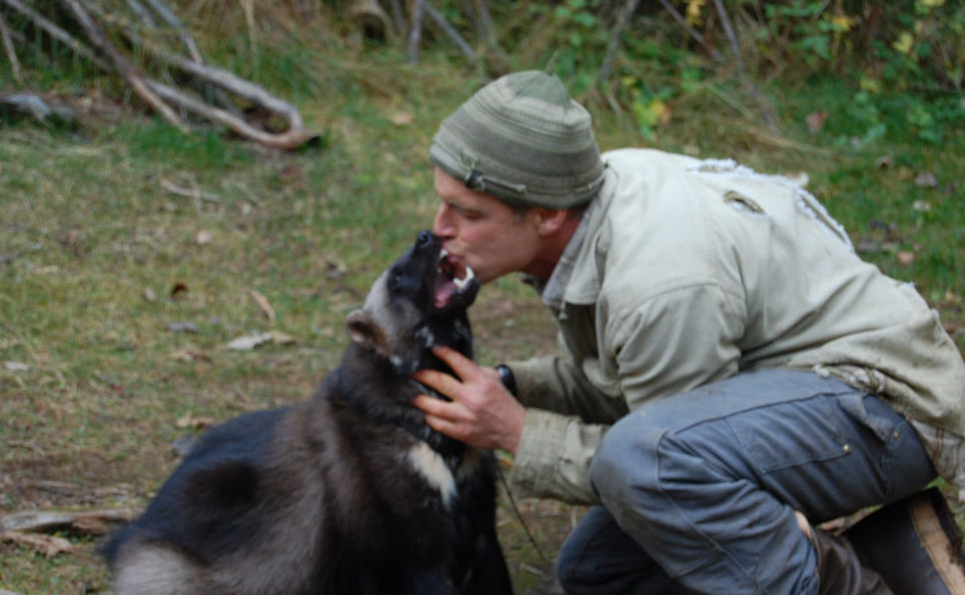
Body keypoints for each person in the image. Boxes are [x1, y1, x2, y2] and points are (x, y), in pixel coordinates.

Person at [411, 70, 965, 594]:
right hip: (802, 397)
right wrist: (514, 386)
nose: (440, 228)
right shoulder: (586, 197)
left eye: (468, 212)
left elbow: (657, 464)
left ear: (545, 216)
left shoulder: (656, 280)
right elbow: (625, 382)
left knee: (643, 465)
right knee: (597, 572)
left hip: (888, 404)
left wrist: (518, 433)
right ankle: (900, 550)